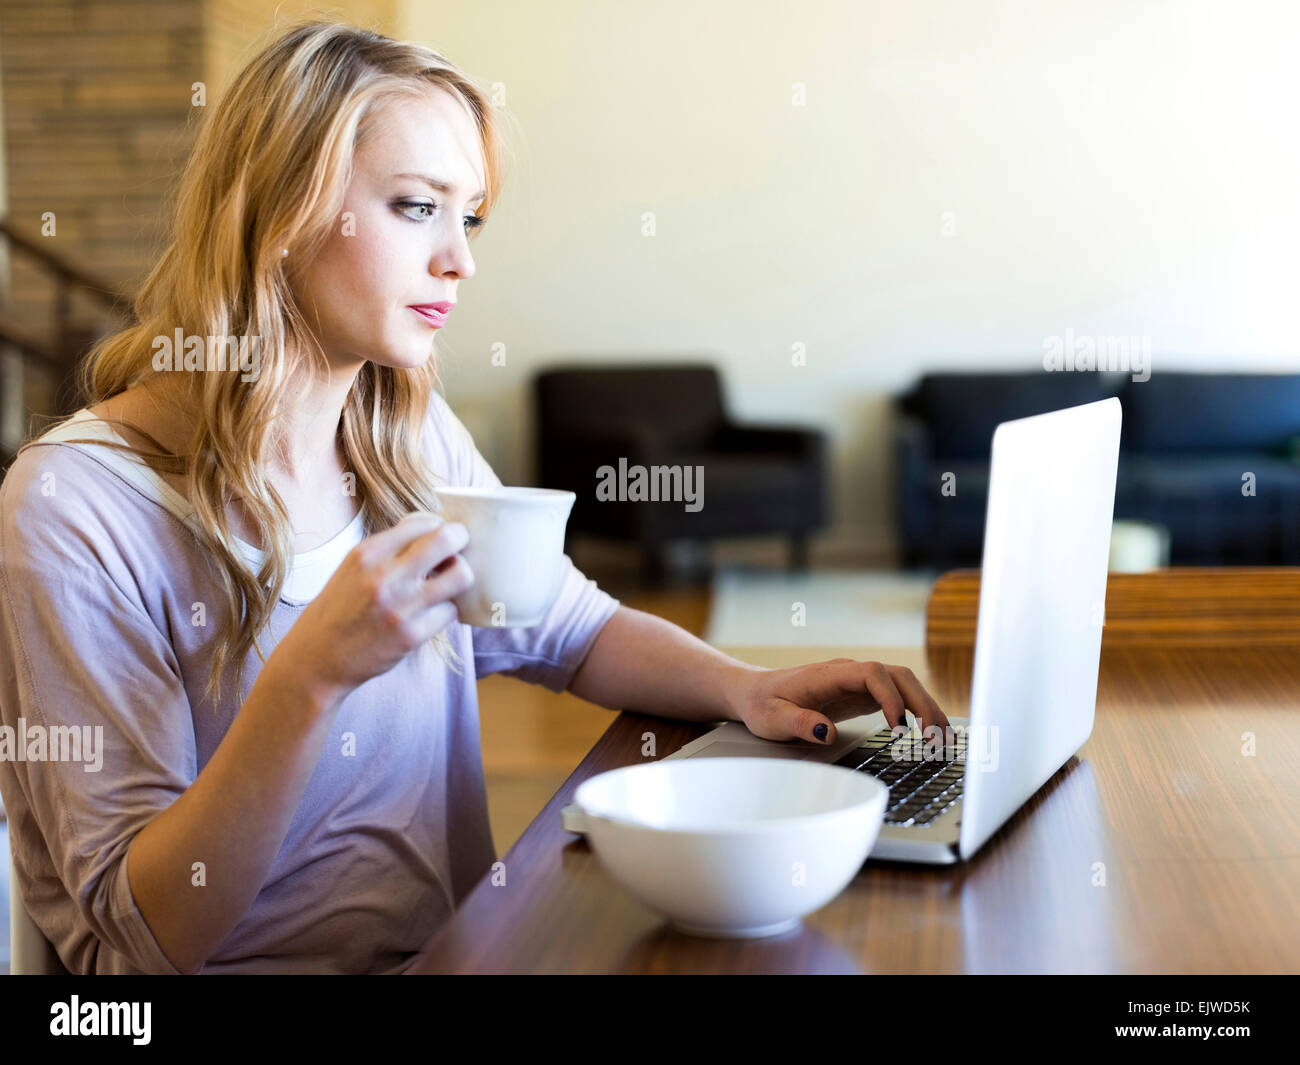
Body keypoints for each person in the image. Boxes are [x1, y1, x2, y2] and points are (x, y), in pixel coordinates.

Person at [0, 18, 948, 975]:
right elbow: (153, 933)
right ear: (279, 210)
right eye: (419, 207)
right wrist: (311, 678)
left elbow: (568, 628)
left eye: (473, 217)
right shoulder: (76, 506)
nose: (461, 259)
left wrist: (745, 687)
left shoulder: (401, 431)